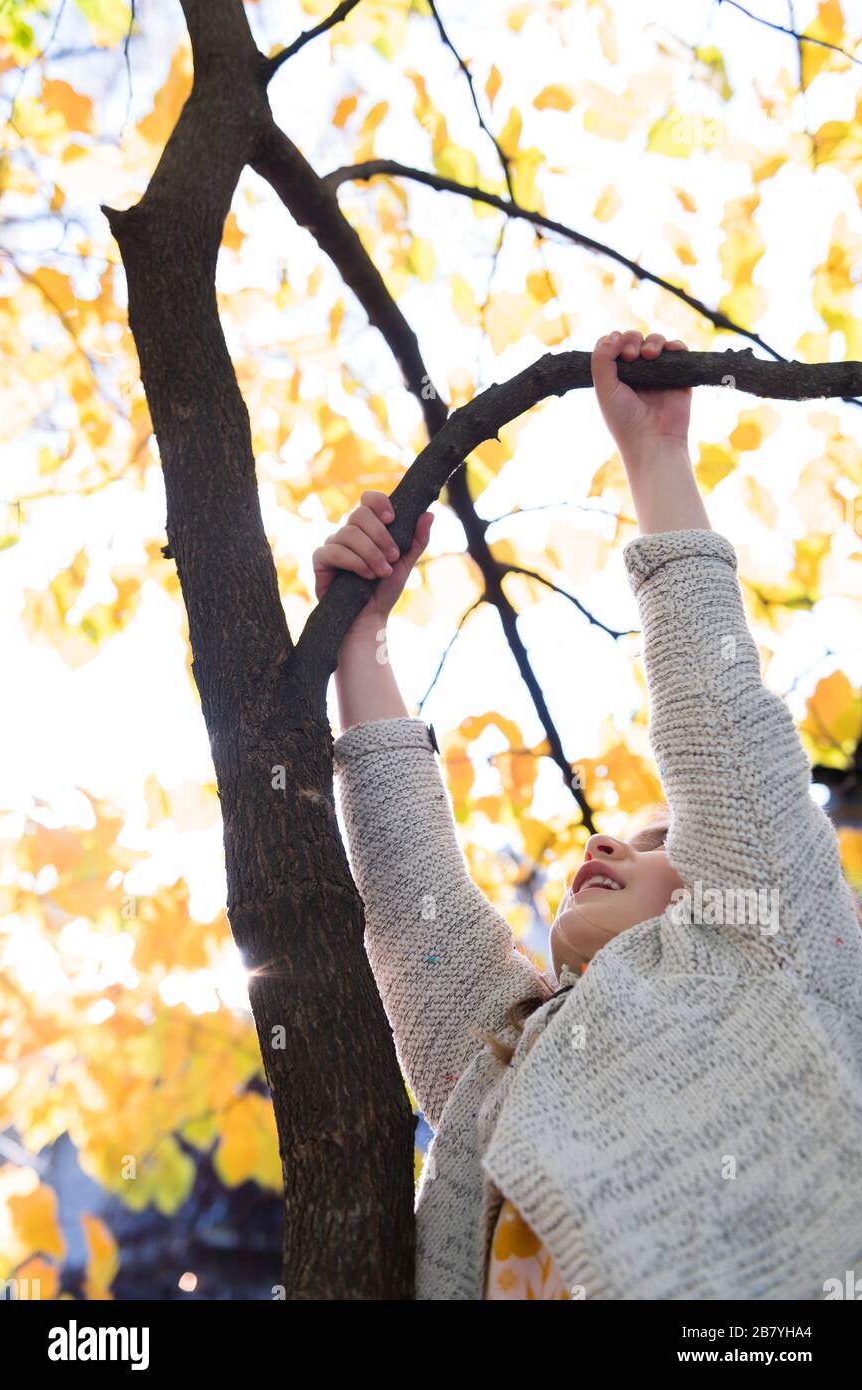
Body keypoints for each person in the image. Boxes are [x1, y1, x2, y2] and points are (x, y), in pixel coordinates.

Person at [316, 328, 862, 1300]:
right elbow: (413, 906)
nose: (602, 841)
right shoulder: (499, 1058)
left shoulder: (760, 950)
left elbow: (719, 725)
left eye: (659, 846)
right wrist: (362, 639)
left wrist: (655, 460)